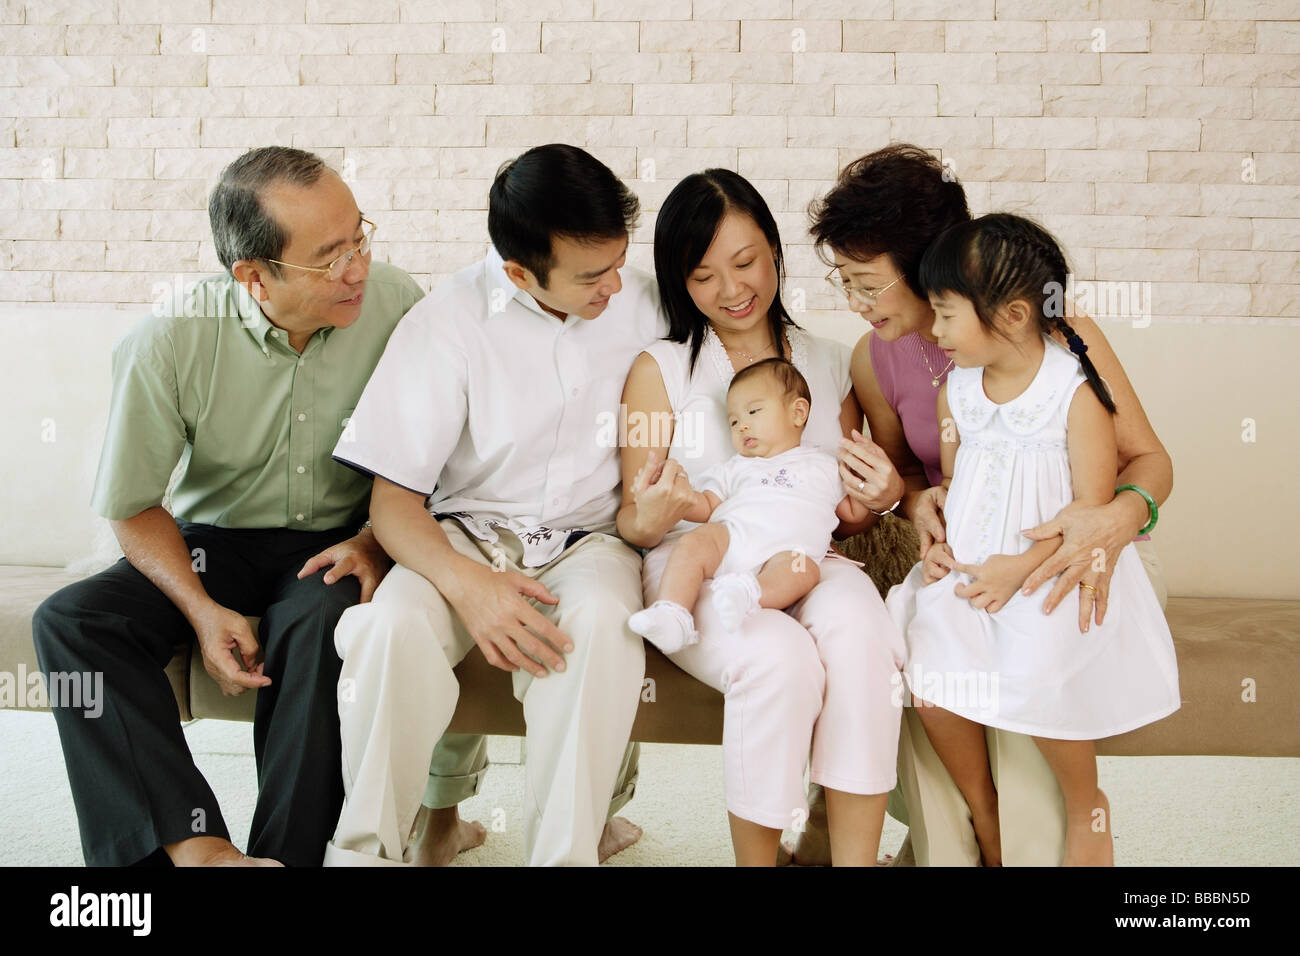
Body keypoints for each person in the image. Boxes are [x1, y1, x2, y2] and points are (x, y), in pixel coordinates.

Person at [31, 146, 424, 866]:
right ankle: (195, 846)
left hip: (339, 543)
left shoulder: (401, 308)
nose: (358, 269)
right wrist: (200, 609)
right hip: (211, 545)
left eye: (360, 238)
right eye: (328, 258)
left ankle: (289, 857)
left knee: (323, 626)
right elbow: (132, 504)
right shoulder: (169, 341)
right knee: (72, 622)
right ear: (253, 276)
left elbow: (437, 462)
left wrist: (374, 538)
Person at [794, 143, 1175, 867]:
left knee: (1023, 664)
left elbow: (1151, 462)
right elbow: (909, 475)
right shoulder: (874, 360)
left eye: (869, 284)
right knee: (917, 653)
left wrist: (1116, 520)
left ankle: (1041, 845)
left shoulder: (1061, 339)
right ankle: (968, 838)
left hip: (1079, 557)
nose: (855, 304)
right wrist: (910, 505)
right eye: (844, 282)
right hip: (969, 559)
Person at [323, 144, 663, 867]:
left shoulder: (644, 304)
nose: (613, 287)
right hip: (462, 536)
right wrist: (468, 587)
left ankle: (565, 856)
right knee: (388, 632)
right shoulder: (448, 319)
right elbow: (394, 501)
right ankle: (363, 856)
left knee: (601, 626)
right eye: (591, 277)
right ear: (517, 271)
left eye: (617, 263)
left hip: (591, 542)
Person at [619, 168, 905, 867]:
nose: (732, 289)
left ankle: (849, 858)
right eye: (703, 274)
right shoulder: (663, 369)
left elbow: (845, 517)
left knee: (864, 629)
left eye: (746, 263)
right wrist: (656, 510)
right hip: (703, 563)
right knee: (778, 659)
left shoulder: (828, 364)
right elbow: (635, 521)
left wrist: (874, 502)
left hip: (807, 559)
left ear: (775, 252)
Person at [887, 212, 1180, 866]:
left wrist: (1019, 568)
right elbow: (961, 485)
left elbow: (1090, 508)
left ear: (1013, 315)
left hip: (1053, 563)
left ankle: (1085, 808)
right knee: (929, 669)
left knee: (1039, 661)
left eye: (945, 314)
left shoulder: (1071, 391)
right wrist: (935, 530)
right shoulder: (957, 391)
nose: (934, 331)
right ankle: (984, 816)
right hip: (977, 567)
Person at [630, 359, 866, 652]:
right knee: (694, 542)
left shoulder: (826, 465)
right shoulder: (736, 467)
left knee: (804, 571)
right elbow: (706, 506)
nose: (742, 425)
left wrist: (864, 479)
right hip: (732, 539)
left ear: (798, 412)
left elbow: (854, 513)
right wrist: (679, 497)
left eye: (753, 411)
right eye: (733, 420)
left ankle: (748, 595)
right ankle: (672, 615)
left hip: (788, 552)